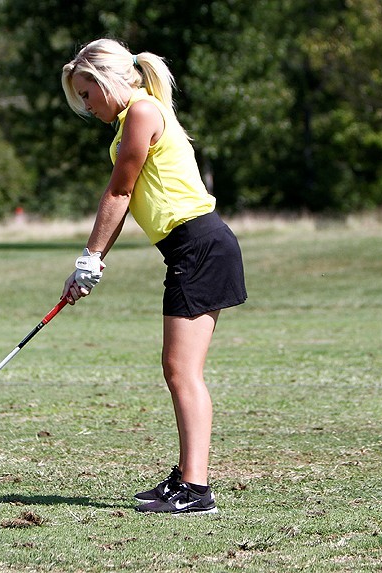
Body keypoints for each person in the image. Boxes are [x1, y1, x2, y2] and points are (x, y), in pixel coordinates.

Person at [60, 38, 247, 515]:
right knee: (178, 370)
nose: (86, 105)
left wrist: (90, 257)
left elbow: (120, 191)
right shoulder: (133, 119)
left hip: (199, 246)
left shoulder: (141, 113)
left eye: (87, 93)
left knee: (182, 371)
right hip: (193, 248)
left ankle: (196, 488)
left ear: (107, 81)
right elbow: (123, 198)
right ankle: (188, 479)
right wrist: (94, 261)